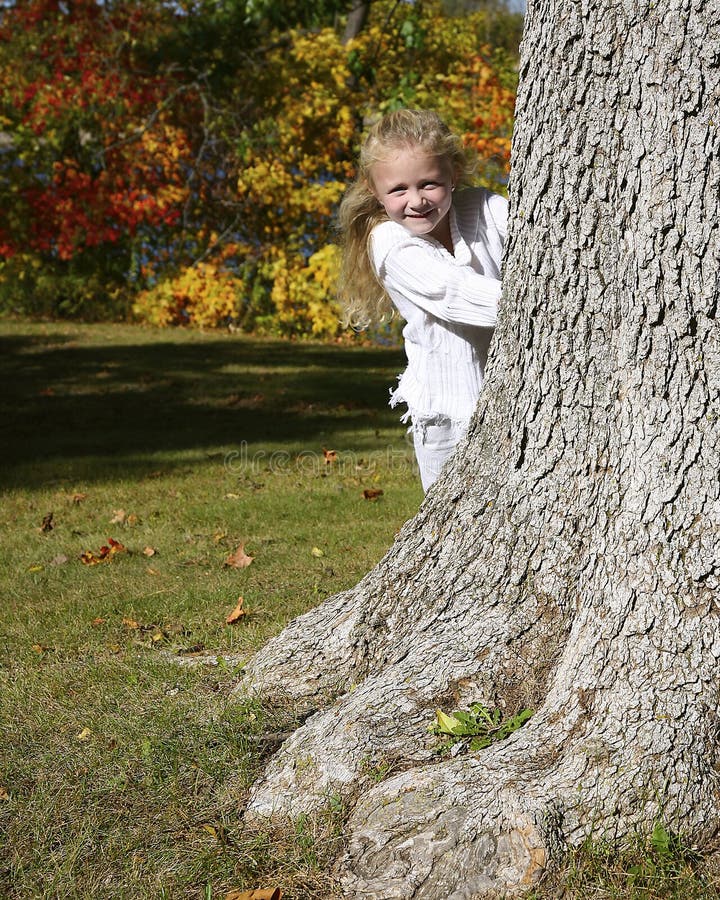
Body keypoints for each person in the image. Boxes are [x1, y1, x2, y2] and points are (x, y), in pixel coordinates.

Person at [338, 108, 507, 492]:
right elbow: (452, 293)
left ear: (453, 174)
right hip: (448, 413)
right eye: (398, 189)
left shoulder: (484, 207)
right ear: (374, 191)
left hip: (513, 395)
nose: (416, 201)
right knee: (457, 514)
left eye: (429, 184)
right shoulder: (389, 243)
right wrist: (541, 304)